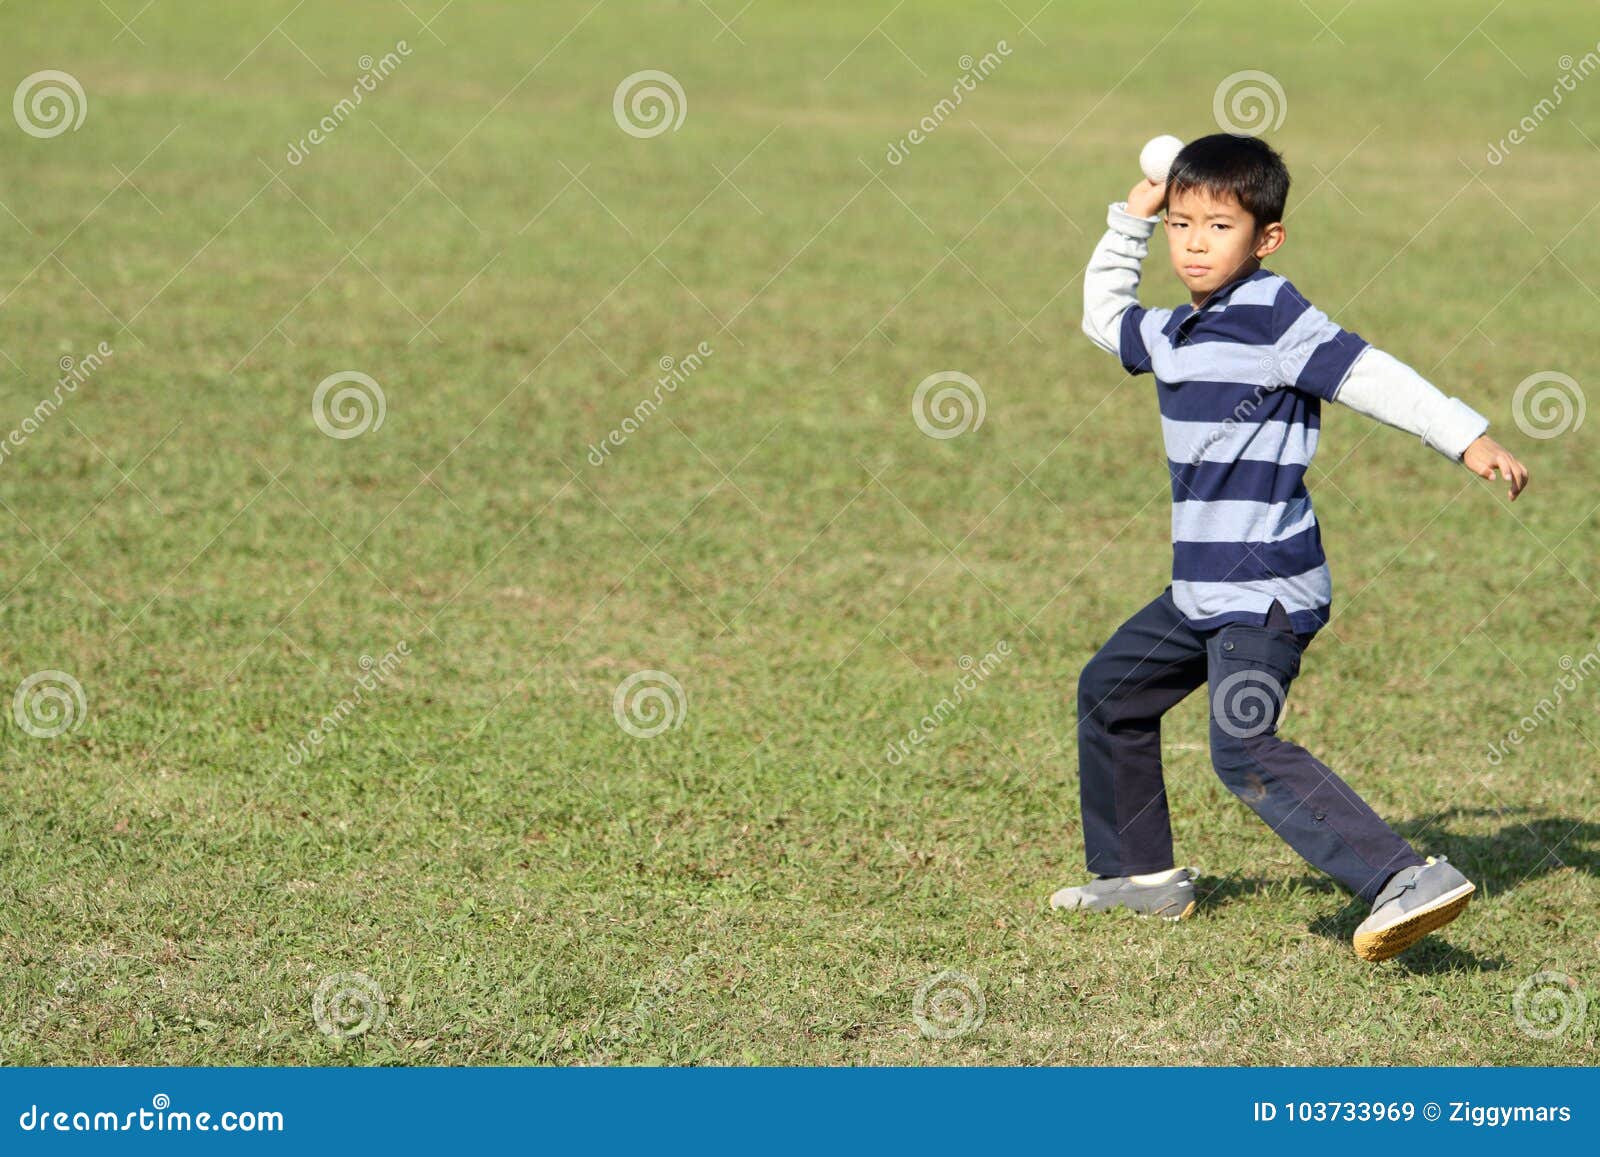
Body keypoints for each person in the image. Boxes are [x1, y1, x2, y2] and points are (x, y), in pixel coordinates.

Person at [1055, 133, 1529, 962]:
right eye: (1180, 224)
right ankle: (1139, 876)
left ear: (1266, 238)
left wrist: (1465, 437)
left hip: (1266, 590)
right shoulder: (1175, 332)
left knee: (1241, 743)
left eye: (1218, 226)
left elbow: (1374, 375)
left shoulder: (1279, 318)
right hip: (1199, 588)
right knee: (1112, 693)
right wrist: (1126, 222)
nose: (1195, 242)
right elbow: (1103, 319)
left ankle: (1400, 878)